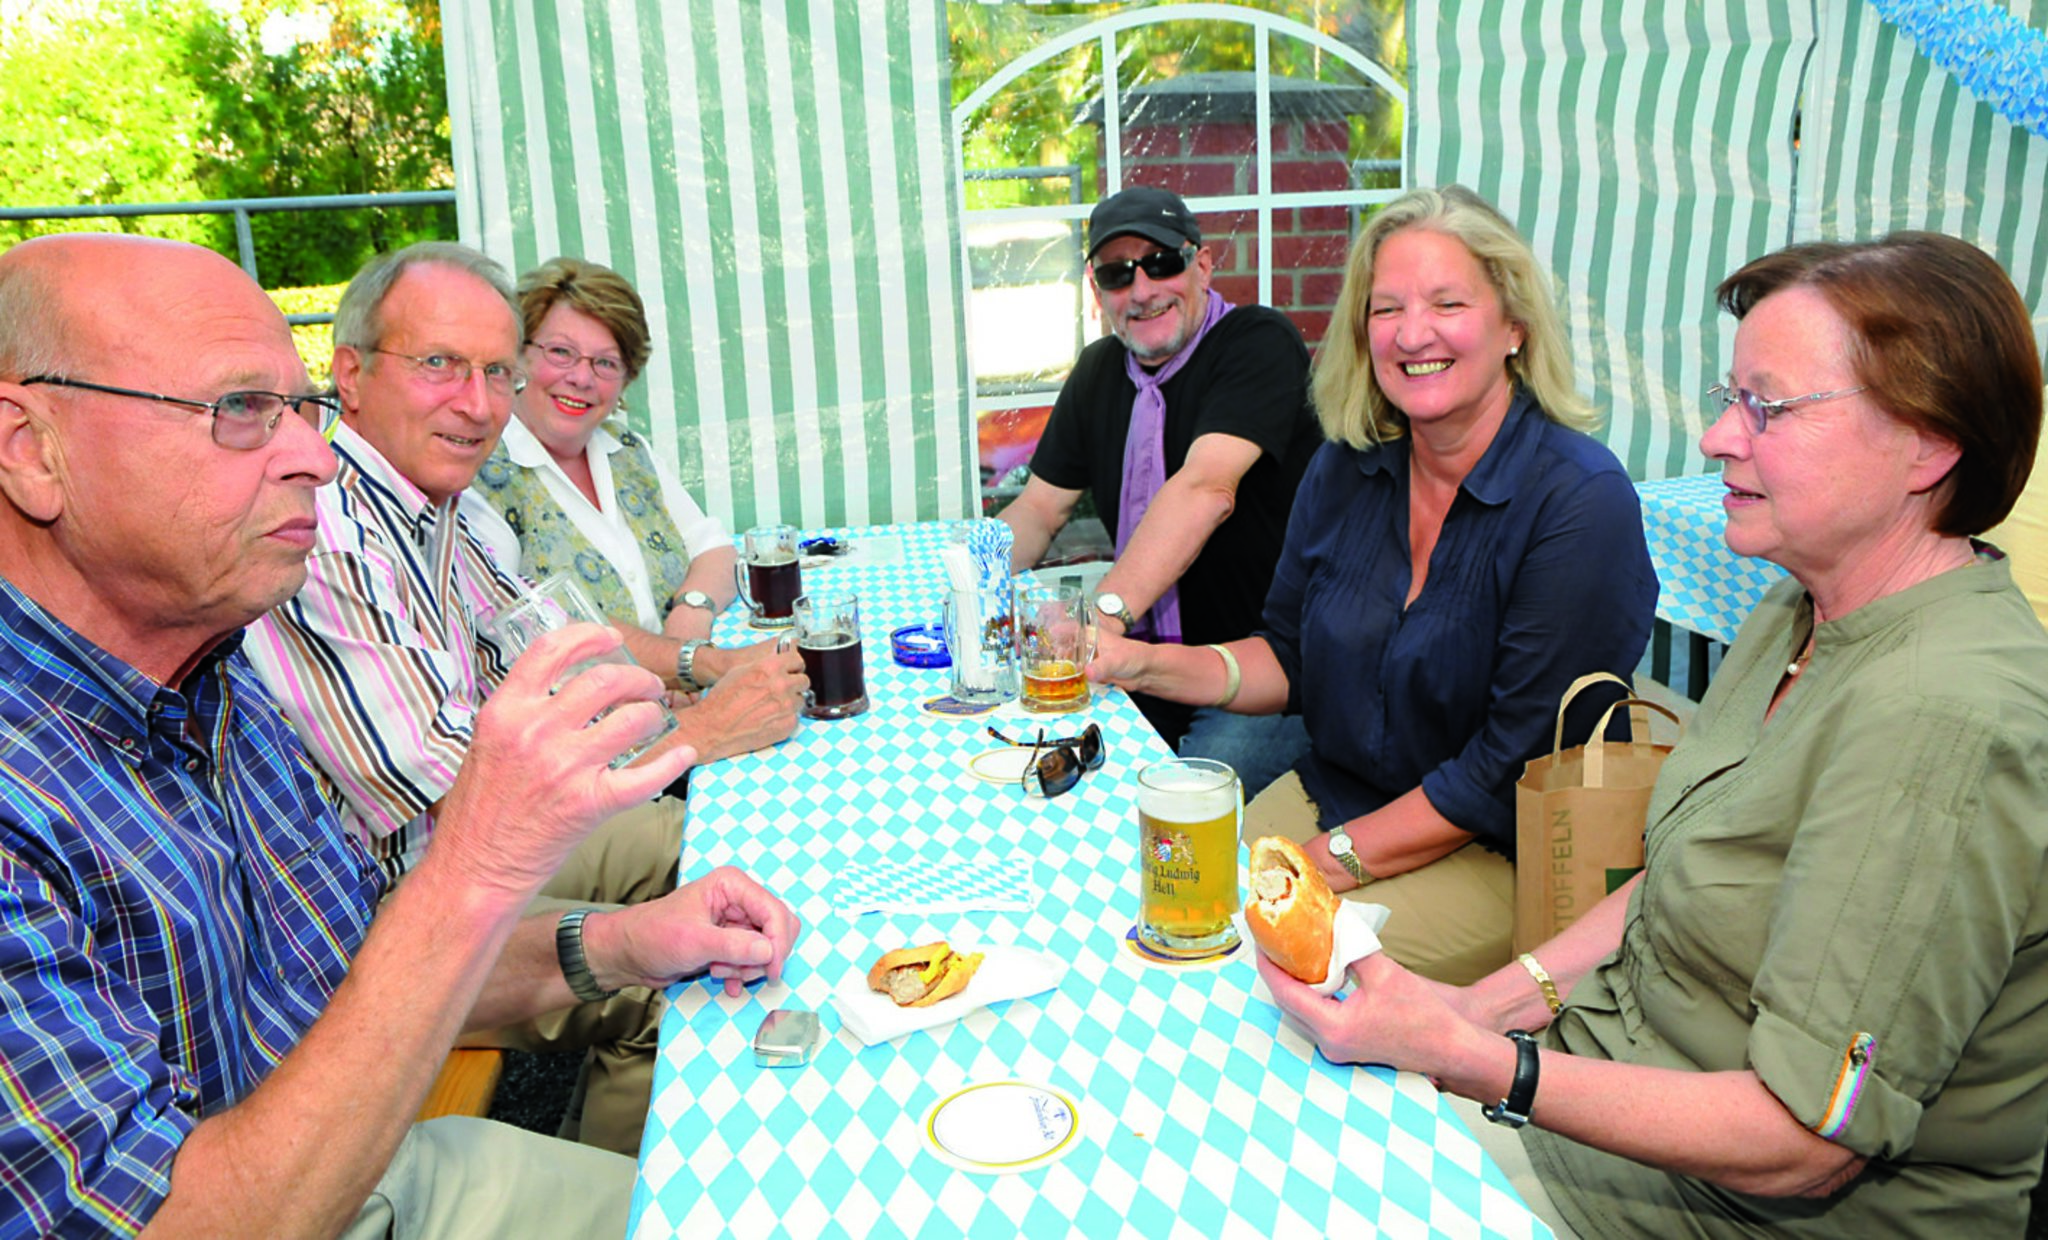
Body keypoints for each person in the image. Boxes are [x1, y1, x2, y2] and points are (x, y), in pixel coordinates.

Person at [0, 232, 801, 1237]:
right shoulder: (28, 784)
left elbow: (355, 969)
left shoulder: (209, 676)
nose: (310, 456)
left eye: (298, 409)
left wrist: (628, 941)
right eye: (241, 409)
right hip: (281, 1193)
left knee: (744, 1176)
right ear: (31, 446)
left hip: (360, 1154)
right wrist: (481, 862)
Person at [1257, 232, 2048, 1239]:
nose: (1717, 436)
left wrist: (1479, 1059)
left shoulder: (1942, 717)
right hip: (1602, 1090)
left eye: (1764, 406)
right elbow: (1677, 871)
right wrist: (1474, 1006)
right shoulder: (1800, 610)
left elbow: (1805, 1142)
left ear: (1928, 445)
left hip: (1713, 1205)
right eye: (1728, 398)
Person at [242, 241, 807, 1154]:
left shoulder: (447, 511)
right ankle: (661, 1190)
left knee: (731, 856)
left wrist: (688, 693)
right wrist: (696, 728)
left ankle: (608, 1159)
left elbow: (566, 664)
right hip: (402, 907)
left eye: (495, 372)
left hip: (487, 848)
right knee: (689, 973)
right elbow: (454, 791)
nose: (477, 403)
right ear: (349, 375)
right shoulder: (329, 534)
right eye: (439, 366)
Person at [1091, 186, 1657, 985]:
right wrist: (1134, 662)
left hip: (1501, 854)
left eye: (1448, 303)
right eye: (1385, 308)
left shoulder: (1577, 500)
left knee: (1261, 967)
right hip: (1337, 794)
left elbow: (1504, 768)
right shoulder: (1348, 465)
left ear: (1514, 326)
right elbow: (1287, 657)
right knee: (1161, 907)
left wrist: (1321, 868)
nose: (1413, 333)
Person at [996, 184, 1321, 794]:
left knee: (1164, 807)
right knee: (1032, 770)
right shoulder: (1098, 372)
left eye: (1161, 263)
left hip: (1265, 673)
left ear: (1202, 264)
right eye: (1118, 274)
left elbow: (1206, 488)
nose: (1141, 290)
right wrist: (965, 586)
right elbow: (1040, 509)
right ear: (1097, 292)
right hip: (1143, 666)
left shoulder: (1257, 342)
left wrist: (1106, 616)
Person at [461, 256, 768, 694]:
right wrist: (690, 661)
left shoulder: (626, 449)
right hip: (593, 726)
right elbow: (543, 625)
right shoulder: (483, 476)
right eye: (561, 352)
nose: (581, 378)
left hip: (679, 694)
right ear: (520, 356)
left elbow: (713, 548)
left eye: (606, 363)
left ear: (626, 378)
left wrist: (691, 610)